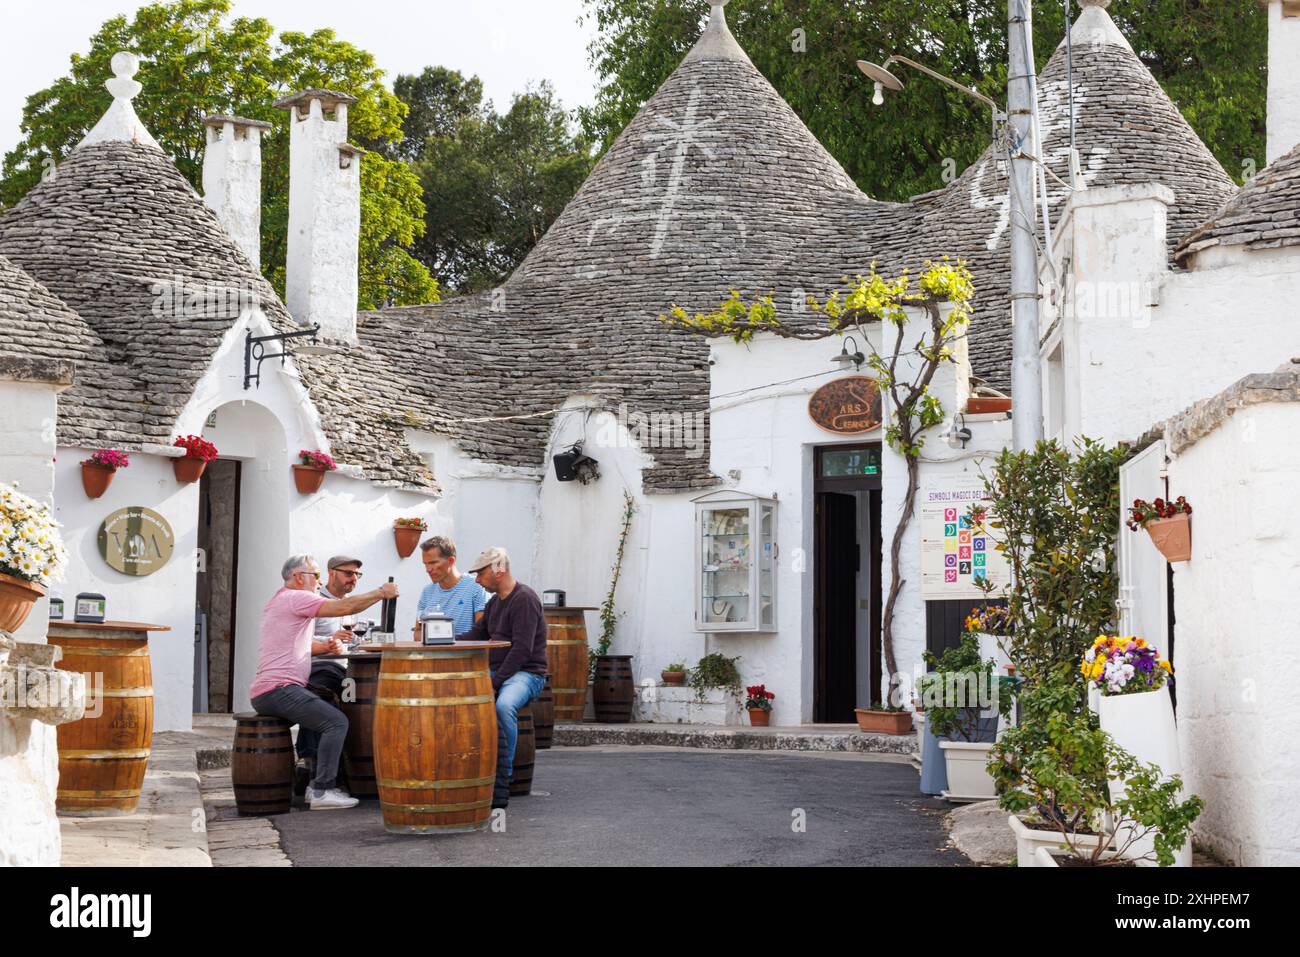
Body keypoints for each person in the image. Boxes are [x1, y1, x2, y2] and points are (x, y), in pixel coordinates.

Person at [250, 554, 397, 810]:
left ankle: (311, 782)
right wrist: (381, 592)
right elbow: (345, 608)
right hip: (279, 689)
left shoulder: (281, 601)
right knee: (336, 722)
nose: (319, 582)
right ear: (298, 577)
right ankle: (322, 791)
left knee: (324, 705)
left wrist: (325, 647)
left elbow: (297, 646)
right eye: (315, 575)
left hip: (269, 690)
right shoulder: (296, 597)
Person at [461, 547, 547, 809]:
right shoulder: (495, 602)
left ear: (499, 570)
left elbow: (522, 650)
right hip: (499, 671)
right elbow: (476, 634)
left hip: (528, 674)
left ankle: (502, 778)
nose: (477, 580)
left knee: (503, 705)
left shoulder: (525, 599)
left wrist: (494, 683)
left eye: (481, 573)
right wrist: (440, 640)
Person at [294, 555, 366, 792]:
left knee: (361, 701)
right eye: (348, 573)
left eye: (357, 575)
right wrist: (330, 640)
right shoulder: (315, 602)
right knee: (323, 697)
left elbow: (349, 641)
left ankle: (344, 767)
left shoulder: (350, 606)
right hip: (319, 666)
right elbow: (301, 639)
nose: (353, 579)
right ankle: (313, 766)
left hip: (345, 669)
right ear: (332, 573)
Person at [412, 536, 488, 639]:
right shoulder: (427, 592)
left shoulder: (476, 587)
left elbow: (482, 634)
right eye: (425, 564)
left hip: (466, 654)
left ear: (451, 561)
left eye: (433, 563)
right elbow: (417, 632)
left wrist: (443, 641)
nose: (428, 569)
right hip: (431, 655)